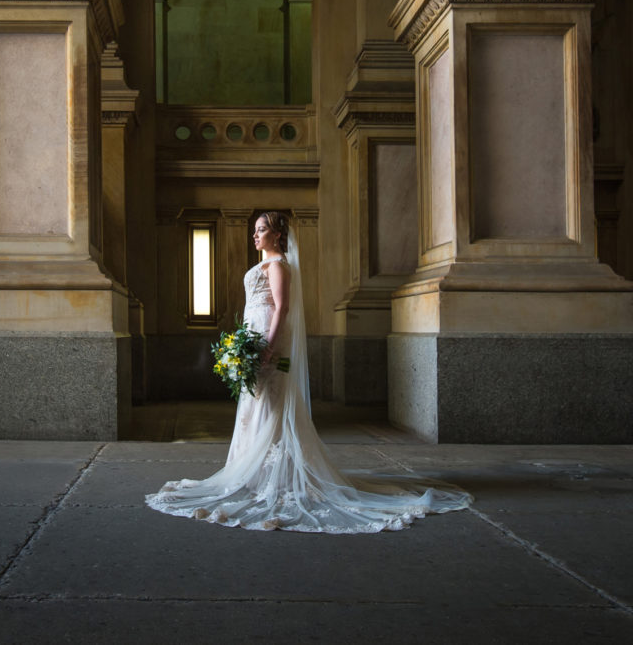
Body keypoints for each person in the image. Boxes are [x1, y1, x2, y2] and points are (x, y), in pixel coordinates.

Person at [145, 211, 471, 533]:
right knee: (257, 405)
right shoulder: (265, 263)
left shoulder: (277, 266)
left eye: (261, 230)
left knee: (270, 404)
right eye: (254, 230)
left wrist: (269, 347)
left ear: (277, 234)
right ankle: (252, 472)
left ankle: (272, 475)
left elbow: (281, 307)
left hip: (267, 343)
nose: (255, 235)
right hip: (254, 338)